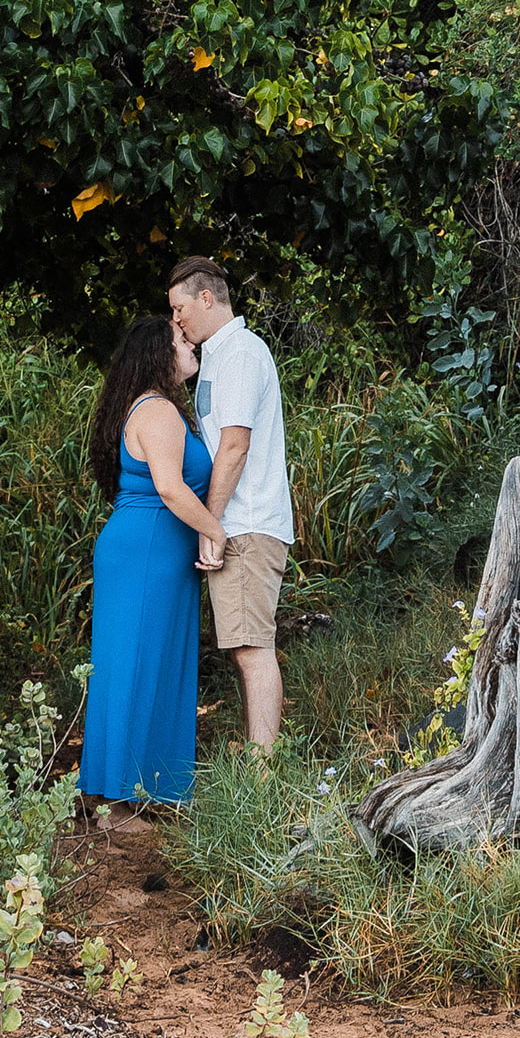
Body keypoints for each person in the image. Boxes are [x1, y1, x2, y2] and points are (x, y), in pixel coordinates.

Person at [78, 316, 226, 824]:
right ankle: (118, 805)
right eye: (183, 342)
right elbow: (169, 487)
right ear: (160, 355)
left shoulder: (152, 405)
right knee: (136, 665)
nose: (192, 347)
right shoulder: (158, 409)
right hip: (146, 551)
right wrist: (215, 529)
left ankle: (132, 790)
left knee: (146, 663)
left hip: (149, 549)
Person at [167, 255, 293, 754]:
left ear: (205, 297)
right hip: (236, 522)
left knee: (252, 649)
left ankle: (263, 773)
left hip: (245, 523)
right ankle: (258, 760)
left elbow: (234, 447)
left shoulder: (240, 352)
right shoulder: (218, 355)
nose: (176, 320)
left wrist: (210, 525)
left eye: (179, 308)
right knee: (244, 647)